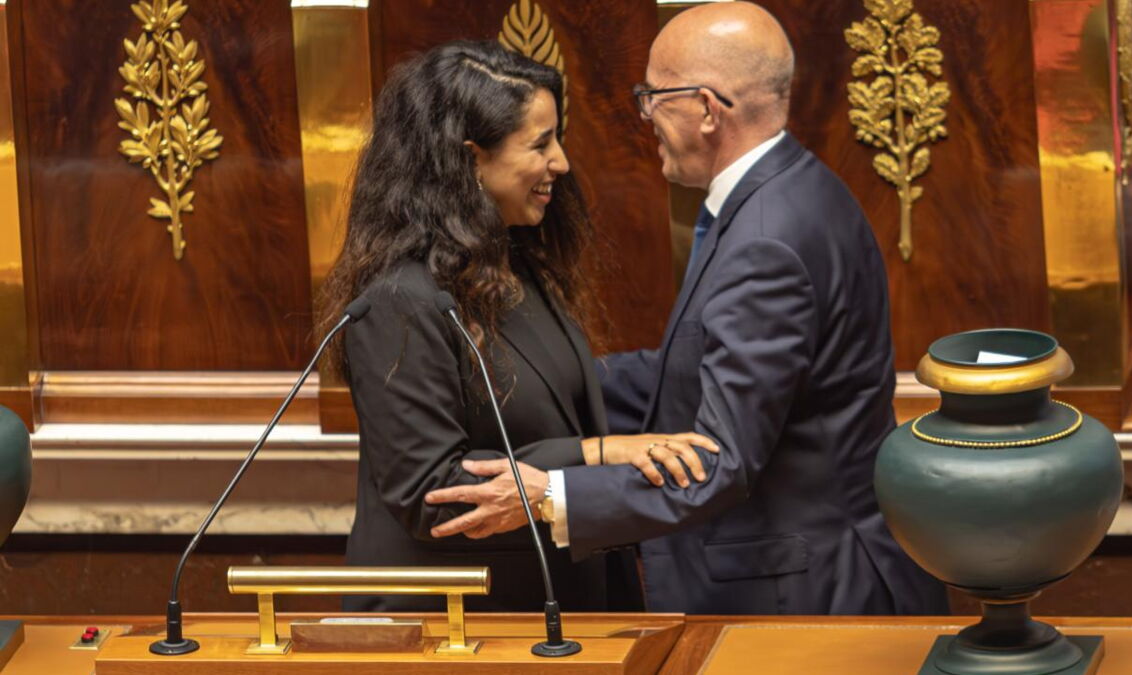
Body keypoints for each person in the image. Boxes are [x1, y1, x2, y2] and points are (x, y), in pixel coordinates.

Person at [426, 4, 948, 615]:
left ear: (704, 107)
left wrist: (550, 495)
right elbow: (699, 362)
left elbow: (724, 463)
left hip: (807, 593)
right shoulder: (791, 190)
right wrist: (546, 383)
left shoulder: (766, 238)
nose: (644, 113)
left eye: (653, 95)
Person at [322, 40, 717, 613]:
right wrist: (599, 454)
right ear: (469, 159)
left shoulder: (515, 268)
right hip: (456, 625)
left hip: (554, 606)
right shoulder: (398, 300)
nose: (561, 162)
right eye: (540, 144)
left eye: (558, 138)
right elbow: (433, 495)